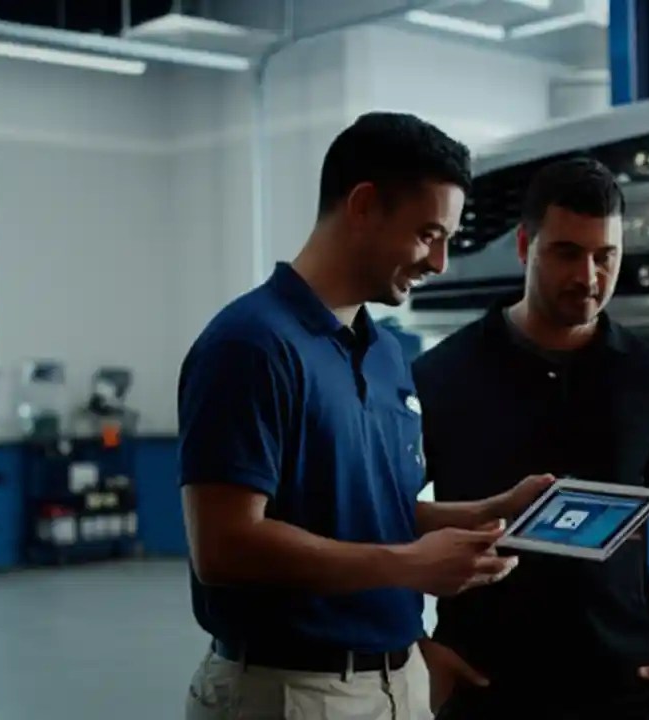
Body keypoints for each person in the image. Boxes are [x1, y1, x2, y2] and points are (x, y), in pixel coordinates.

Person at [178, 111, 553, 720]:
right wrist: (410, 565)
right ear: (363, 205)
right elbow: (224, 546)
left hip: (397, 682)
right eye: (429, 234)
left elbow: (363, 510)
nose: (440, 262)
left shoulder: (386, 354)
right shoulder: (250, 346)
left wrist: (482, 513)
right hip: (288, 693)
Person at [413, 157, 649, 720]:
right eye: (566, 254)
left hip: (630, 689)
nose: (588, 277)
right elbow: (380, 513)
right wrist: (413, 645)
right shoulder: (443, 375)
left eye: (605, 257)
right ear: (524, 245)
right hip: (487, 688)